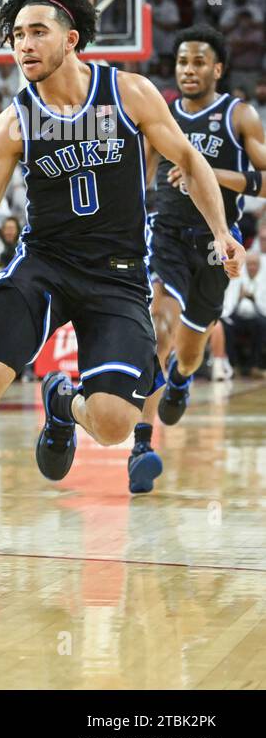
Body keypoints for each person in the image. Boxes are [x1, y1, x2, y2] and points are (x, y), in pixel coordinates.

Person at [0, 0, 243, 556]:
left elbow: (188, 158)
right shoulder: (14, 121)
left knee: (111, 424)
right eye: (15, 37)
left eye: (36, 33)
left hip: (118, 274)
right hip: (44, 264)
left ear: (71, 38)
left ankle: (61, 402)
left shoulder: (128, 93)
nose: (23, 45)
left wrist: (221, 232)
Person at [129, 25, 265, 490]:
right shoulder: (160, 115)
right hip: (165, 233)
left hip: (216, 241)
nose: (189, 70)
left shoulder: (239, 116)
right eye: (183, 62)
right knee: (158, 326)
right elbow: (140, 178)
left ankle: (182, 380)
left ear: (218, 69)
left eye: (199, 62)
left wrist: (206, 172)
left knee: (188, 354)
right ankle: (142, 445)